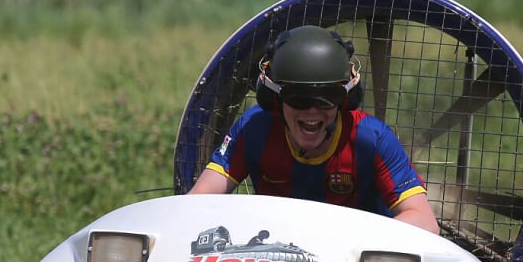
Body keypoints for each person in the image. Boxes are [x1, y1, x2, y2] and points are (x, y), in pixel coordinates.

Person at [188, 25, 440, 234]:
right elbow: (197, 202)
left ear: (345, 99)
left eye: (326, 98)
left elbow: (425, 223)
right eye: (298, 98)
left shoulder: (371, 139)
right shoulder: (254, 129)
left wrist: (347, 241)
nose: (312, 112)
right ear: (274, 99)